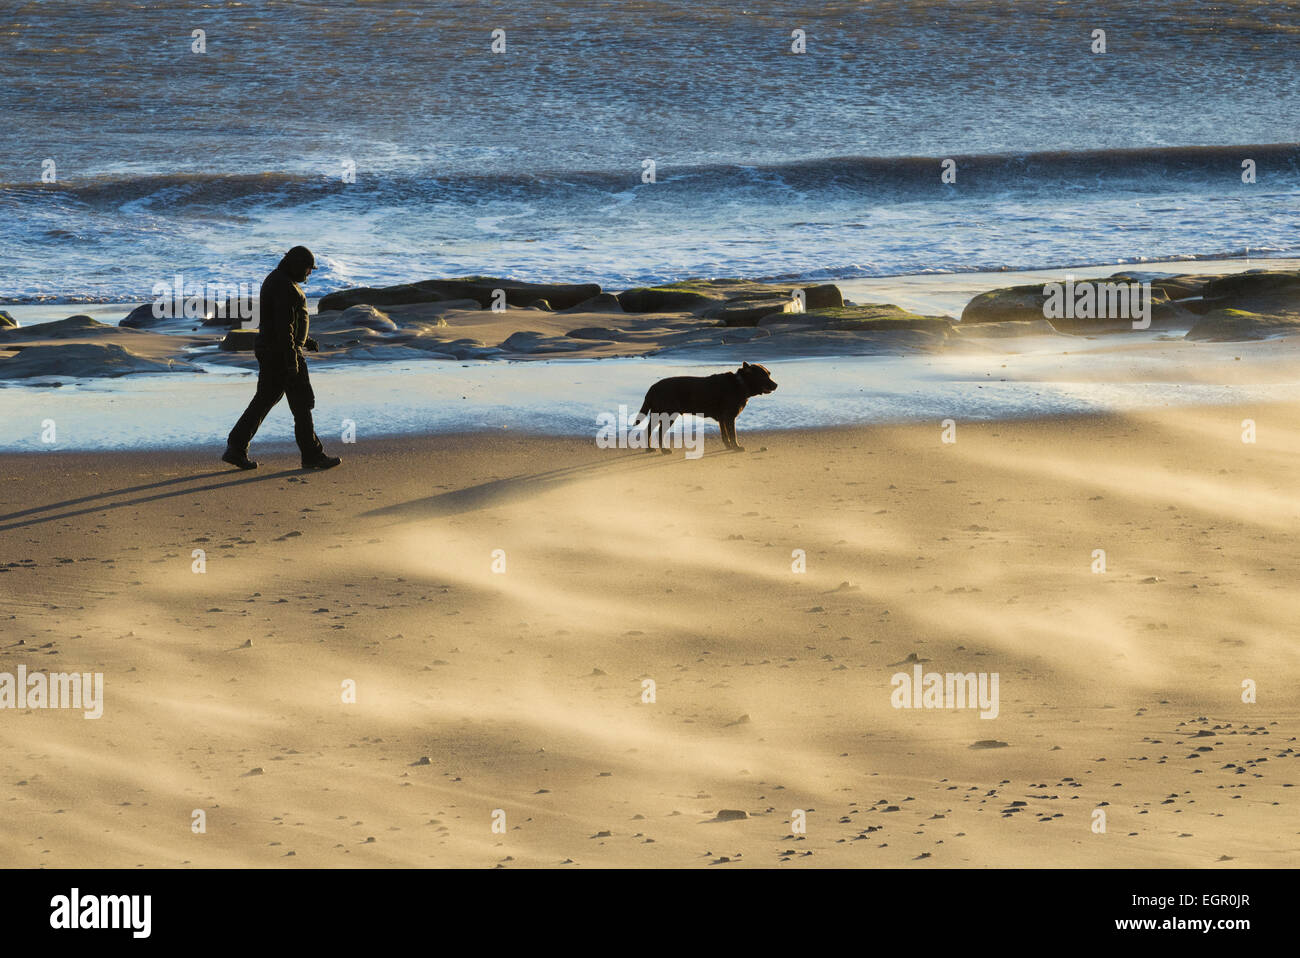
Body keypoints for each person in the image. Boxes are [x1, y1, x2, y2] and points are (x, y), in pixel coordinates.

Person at [222, 246, 341, 470]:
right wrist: (292, 360)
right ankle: (312, 455)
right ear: (296, 264)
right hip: (282, 354)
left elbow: (284, 323)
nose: (309, 274)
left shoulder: (279, 281)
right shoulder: (284, 286)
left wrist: (305, 340)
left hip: (273, 351)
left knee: (264, 400)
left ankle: (236, 448)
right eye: (307, 268)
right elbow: (283, 327)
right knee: (302, 405)